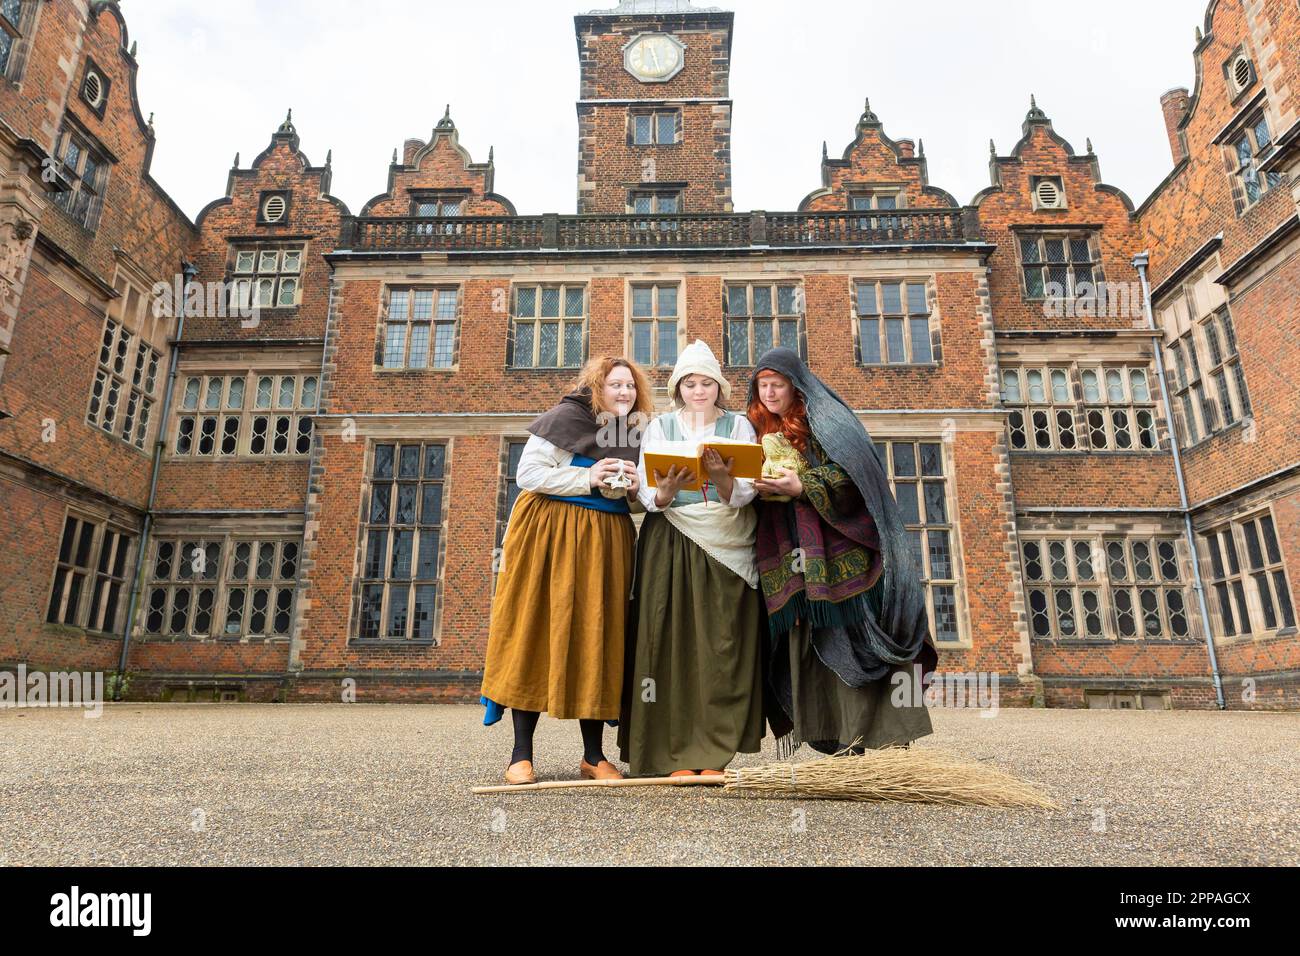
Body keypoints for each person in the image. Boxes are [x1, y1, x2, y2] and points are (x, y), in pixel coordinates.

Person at [747, 347, 938, 756]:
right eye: (762, 385)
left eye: (777, 384)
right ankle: (831, 741)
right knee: (805, 643)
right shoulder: (753, 427)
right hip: (789, 553)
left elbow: (855, 473)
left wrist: (802, 486)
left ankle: (872, 737)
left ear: (795, 384)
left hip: (840, 554)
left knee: (850, 639)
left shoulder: (828, 419)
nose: (769, 393)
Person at [480, 357, 653, 785]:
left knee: (598, 633)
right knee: (536, 630)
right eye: (615, 385)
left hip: (606, 540)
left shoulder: (634, 432)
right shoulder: (566, 418)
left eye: (630, 386)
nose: (624, 393)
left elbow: (637, 501)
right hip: (548, 534)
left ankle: (594, 757)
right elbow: (529, 474)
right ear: (597, 387)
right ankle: (521, 755)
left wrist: (633, 491)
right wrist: (589, 477)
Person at [617, 341, 765, 778]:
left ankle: (713, 754)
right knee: (671, 648)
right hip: (673, 540)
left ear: (718, 387)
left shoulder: (739, 426)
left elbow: (748, 491)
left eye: (705, 383)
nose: (697, 391)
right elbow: (647, 493)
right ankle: (673, 753)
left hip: (728, 546)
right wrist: (663, 491)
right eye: (689, 383)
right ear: (678, 388)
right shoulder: (661, 427)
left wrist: (723, 480)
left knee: (722, 648)